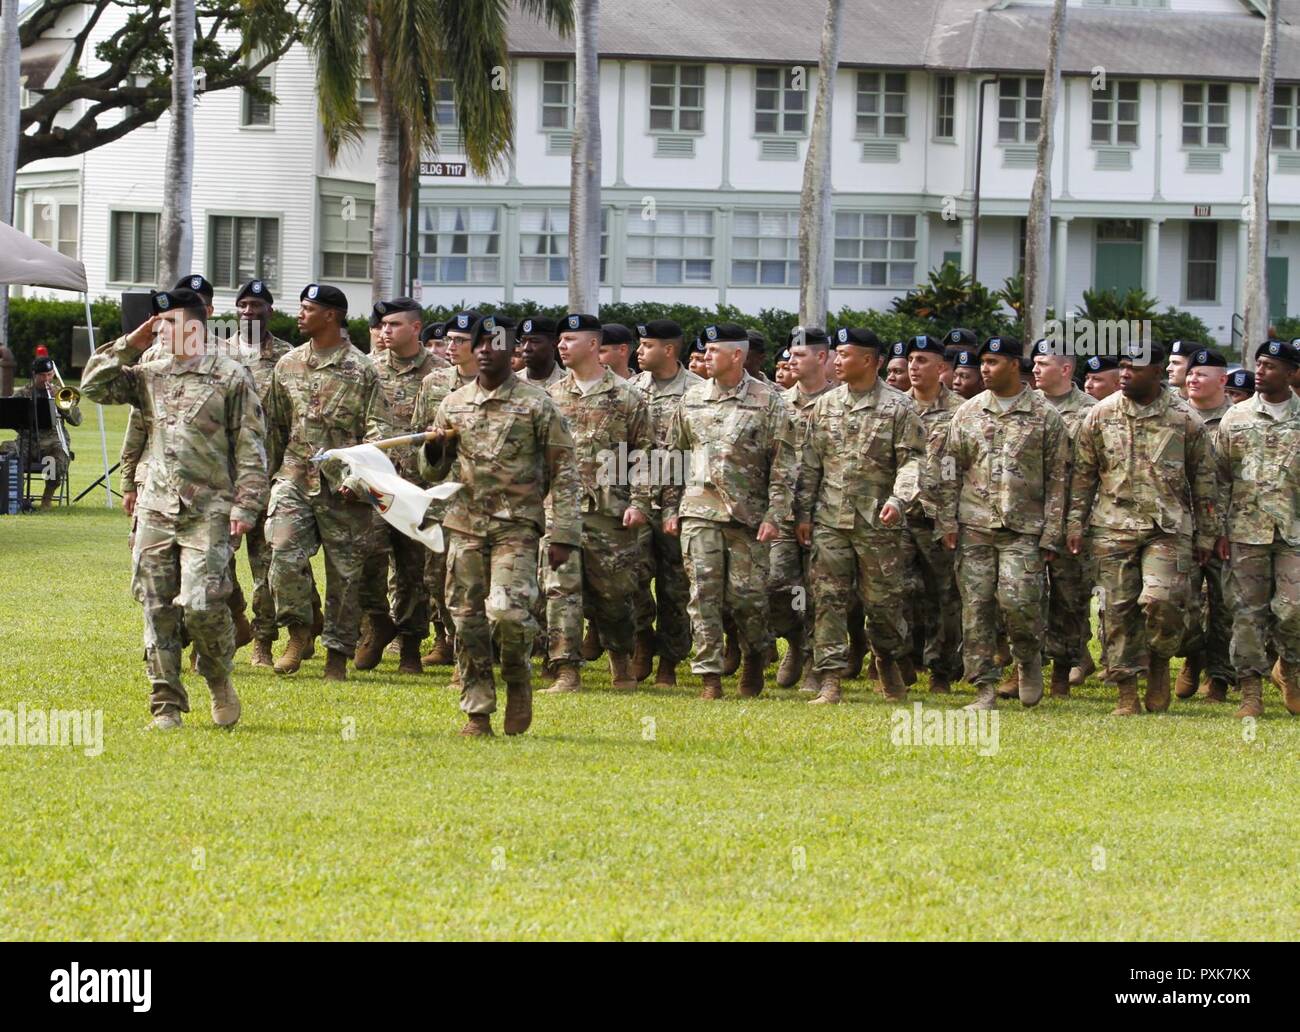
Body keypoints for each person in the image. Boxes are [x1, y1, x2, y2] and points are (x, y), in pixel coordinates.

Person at [80, 288, 268, 730]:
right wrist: (132, 342)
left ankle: (218, 678)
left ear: (195, 326)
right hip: (156, 507)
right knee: (156, 604)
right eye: (158, 323)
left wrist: (247, 505)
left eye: (168, 323)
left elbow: (251, 448)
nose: (160, 329)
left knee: (202, 603)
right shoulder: (149, 371)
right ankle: (165, 703)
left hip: (210, 509)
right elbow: (92, 385)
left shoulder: (231, 376)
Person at [418, 313, 581, 736]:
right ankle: (478, 711)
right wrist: (434, 451)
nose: (487, 350)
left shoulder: (536, 403)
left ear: (514, 350)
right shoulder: (453, 403)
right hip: (465, 525)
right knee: (467, 619)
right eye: (480, 343)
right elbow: (434, 473)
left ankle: (517, 677)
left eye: (497, 343)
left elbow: (563, 470)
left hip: (517, 528)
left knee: (508, 614)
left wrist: (563, 533)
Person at [1067, 342, 1218, 716]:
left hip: (1166, 527)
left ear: (1156, 371)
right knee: (1117, 611)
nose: (1125, 374)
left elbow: (1204, 481)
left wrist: (1208, 534)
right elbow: (1084, 474)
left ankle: (1160, 662)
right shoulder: (1101, 414)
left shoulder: (1184, 419)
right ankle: (1127, 693)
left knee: (1162, 601)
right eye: (1121, 366)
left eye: (1134, 367)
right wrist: (1073, 522)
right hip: (1111, 526)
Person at [264, 284, 392, 680]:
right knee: (283, 554)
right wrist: (264, 477)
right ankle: (299, 630)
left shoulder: (362, 368)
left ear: (331, 316)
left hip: (344, 488)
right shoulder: (286, 364)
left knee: (345, 576)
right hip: (294, 478)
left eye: (308, 309)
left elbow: (378, 430)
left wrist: (359, 481)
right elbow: (275, 425)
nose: (300, 314)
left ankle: (337, 654)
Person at [663, 322, 796, 699]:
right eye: (704, 351)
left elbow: (784, 464)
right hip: (699, 510)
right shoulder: (691, 399)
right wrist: (670, 508)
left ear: (736, 355)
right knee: (703, 593)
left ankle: (755, 655)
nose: (706, 356)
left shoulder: (768, 401)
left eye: (714, 351)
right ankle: (710, 676)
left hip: (748, 516)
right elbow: (673, 456)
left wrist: (775, 515)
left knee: (747, 598)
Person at [938, 336, 1069, 711]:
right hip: (974, 525)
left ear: (1015, 365)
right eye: (983, 362)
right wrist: (947, 519)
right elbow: (951, 469)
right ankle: (984, 689)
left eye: (994, 362)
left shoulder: (1045, 416)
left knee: (1019, 603)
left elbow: (1059, 479)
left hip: (1023, 529)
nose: (985, 369)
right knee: (976, 608)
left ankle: (1028, 660)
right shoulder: (968, 413)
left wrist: (1053, 532)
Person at [797, 327, 925, 705]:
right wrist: (803, 513)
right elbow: (810, 464)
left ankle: (887, 659)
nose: (837, 360)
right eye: (836, 354)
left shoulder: (899, 407)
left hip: (878, 524)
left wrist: (899, 500)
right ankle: (830, 679)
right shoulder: (825, 405)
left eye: (846, 355)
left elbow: (914, 462)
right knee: (827, 599)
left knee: (883, 606)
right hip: (830, 520)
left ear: (869, 361)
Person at [541, 313, 653, 693]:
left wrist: (639, 502)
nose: (560, 345)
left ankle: (620, 658)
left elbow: (647, 455)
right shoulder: (551, 397)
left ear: (593, 344)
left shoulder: (627, 396)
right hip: (560, 513)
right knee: (560, 591)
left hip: (611, 514)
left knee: (614, 596)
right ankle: (566, 670)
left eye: (569, 339)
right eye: (560, 339)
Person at [353, 297, 448, 674]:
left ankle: (410, 645)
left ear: (415, 328)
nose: (385, 331)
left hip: (421, 487)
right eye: (383, 325)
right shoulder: (367, 370)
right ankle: (377, 622)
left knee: (416, 571)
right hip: (377, 486)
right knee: (365, 560)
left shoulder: (441, 375)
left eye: (394, 325)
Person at [1215, 339, 1300, 718]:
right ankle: (1251, 692)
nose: (1261, 372)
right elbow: (1218, 478)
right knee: (1247, 613)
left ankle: (1290, 669)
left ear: (1291, 373)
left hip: (1294, 531)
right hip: (1245, 530)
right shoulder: (1236, 417)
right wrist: (1216, 529)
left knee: (1294, 609)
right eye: (1259, 365)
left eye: (1270, 366)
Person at [229, 280, 307, 668]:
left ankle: (263, 640)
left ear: (270, 311)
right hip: (223, 479)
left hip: (269, 475)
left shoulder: (287, 358)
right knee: (216, 565)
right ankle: (231, 628)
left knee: (266, 566)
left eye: (256, 305)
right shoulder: (218, 354)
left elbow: (297, 419)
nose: (248, 312)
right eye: (243, 305)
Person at [630, 319, 702, 686]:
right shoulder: (630, 389)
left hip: (680, 502)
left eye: (646, 345)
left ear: (669, 350)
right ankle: (642, 643)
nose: (638, 351)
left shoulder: (698, 392)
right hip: (638, 500)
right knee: (635, 579)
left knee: (676, 585)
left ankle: (669, 661)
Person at [411, 312, 481, 669]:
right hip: (441, 493)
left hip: (482, 496)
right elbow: (419, 443)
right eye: (448, 340)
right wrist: (433, 445)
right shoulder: (435, 383)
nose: (450, 346)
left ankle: (481, 643)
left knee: (477, 575)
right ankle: (446, 637)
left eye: (459, 341)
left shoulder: (499, 384)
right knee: (437, 572)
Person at [1031, 339, 1097, 696]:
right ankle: (1027, 666)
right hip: (1029, 516)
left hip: (1074, 518)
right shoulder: (1027, 406)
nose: (1036, 369)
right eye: (1035, 363)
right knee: (1026, 595)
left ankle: (1062, 671)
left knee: (1069, 599)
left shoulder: (1092, 412)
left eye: (1043, 363)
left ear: (1066, 369)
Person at [772, 327, 836, 695]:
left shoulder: (839, 402)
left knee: (821, 591)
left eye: (799, 356)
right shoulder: (777, 402)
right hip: (783, 511)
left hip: (828, 511)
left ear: (822, 358)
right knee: (778, 586)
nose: (790, 361)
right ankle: (795, 641)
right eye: (789, 355)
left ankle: (814, 660)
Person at [905, 333, 964, 694]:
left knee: (944, 596)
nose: (914, 367)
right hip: (896, 515)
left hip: (941, 517)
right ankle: (898, 660)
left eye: (923, 360)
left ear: (942, 368)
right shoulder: (893, 407)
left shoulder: (962, 411)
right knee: (894, 591)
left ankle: (942, 670)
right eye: (911, 360)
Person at [1176, 348, 1236, 702]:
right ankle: (1191, 656)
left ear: (1222, 380)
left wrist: (1224, 527)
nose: (1193, 379)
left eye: (1202, 373)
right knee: (1181, 603)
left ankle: (1219, 676)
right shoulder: (1174, 415)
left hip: (1228, 526)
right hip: (1181, 523)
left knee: (1225, 606)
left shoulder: (1237, 418)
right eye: (1191, 373)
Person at [13, 351, 80, 509]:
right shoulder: (22, 394)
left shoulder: (59, 393)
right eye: (42, 375)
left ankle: (47, 498)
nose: (46, 379)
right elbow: (11, 419)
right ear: (34, 375)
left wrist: (64, 405)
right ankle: (16, 497)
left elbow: (77, 421)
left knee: (55, 461)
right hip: (27, 441)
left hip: (52, 442)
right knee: (7, 455)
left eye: (49, 375)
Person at [520, 316, 565, 389]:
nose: (526, 348)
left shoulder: (570, 384)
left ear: (554, 344)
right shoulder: (508, 383)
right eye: (523, 341)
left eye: (534, 341)